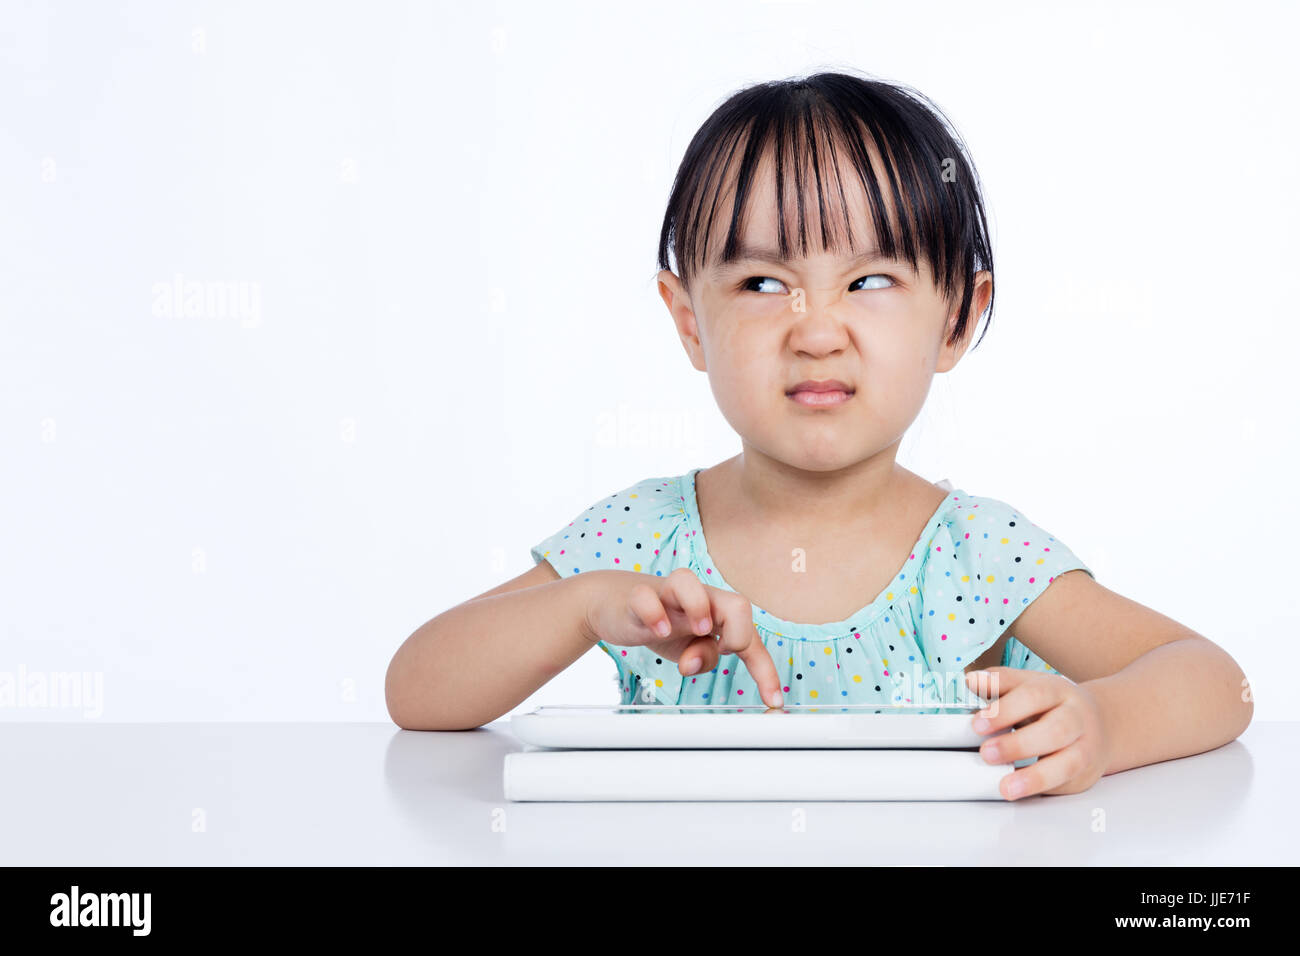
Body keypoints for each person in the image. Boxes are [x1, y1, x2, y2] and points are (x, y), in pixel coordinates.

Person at [386, 70, 1253, 800]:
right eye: (764, 284)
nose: (816, 329)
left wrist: (1100, 725)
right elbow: (417, 689)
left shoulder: (973, 554)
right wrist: (581, 607)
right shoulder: (645, 543)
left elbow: (1216, 681)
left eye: (869, 279)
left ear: (957, 318)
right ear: (689, 321)